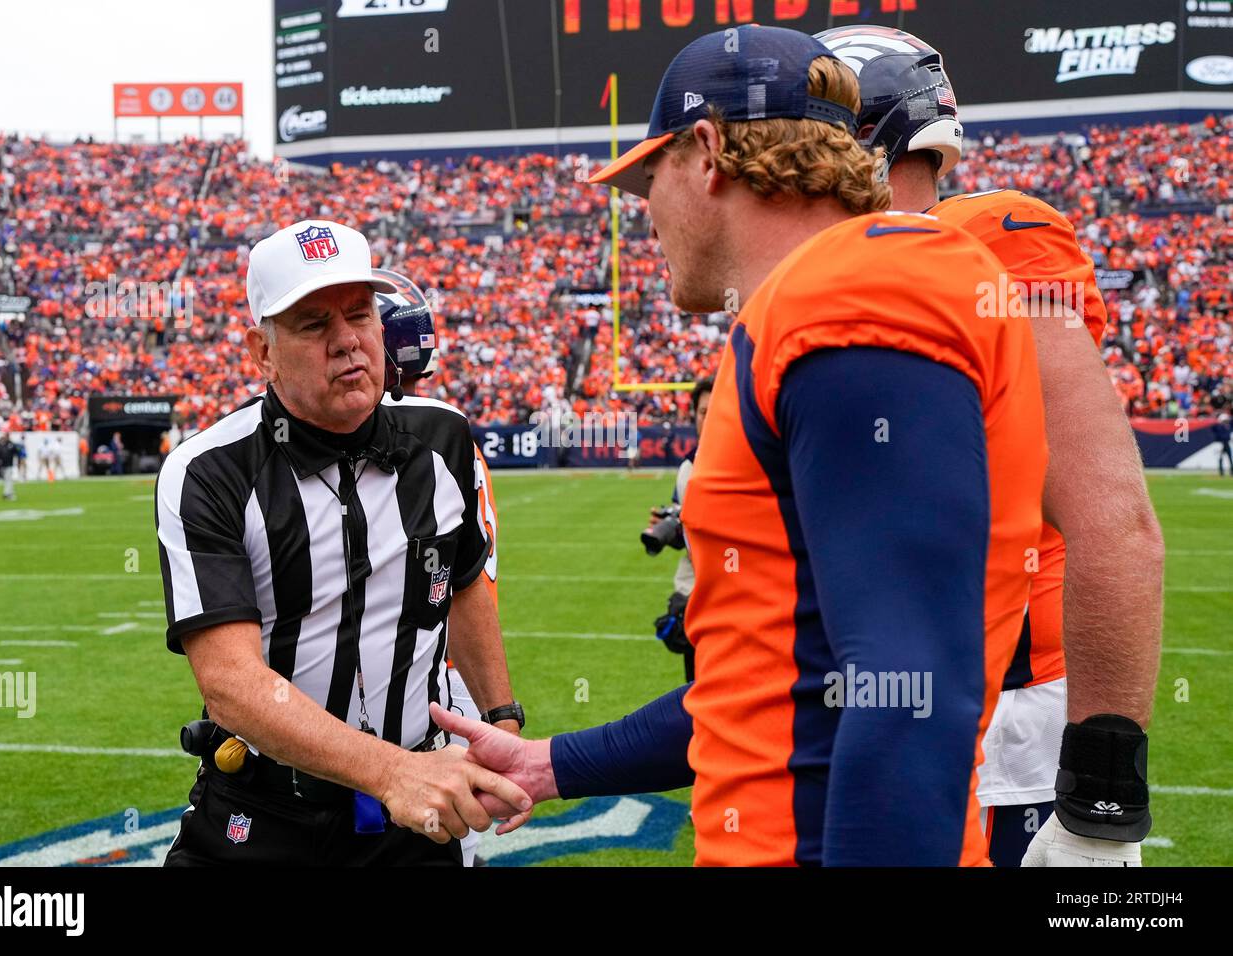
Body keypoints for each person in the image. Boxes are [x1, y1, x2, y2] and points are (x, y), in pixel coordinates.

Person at [438, 25, 1048, 866]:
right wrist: (552, 765)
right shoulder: (827, 297)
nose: (642, 213)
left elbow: (908, 688)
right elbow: (780, 680)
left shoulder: (850, 298)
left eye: (650, 179)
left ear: (709, 151)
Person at [816, 24, 1163, 867]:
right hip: (879, 697)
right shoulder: (825, 276)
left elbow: (1113, 524)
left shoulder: (994, 242)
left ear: (858, 140)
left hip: (1010, 709)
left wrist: (1102, 796)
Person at [154, 220, 530, 866]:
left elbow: (464, 584)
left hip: (415, 815)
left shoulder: (443, 440)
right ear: (262, 352)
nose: (347, 341)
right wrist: (388, 773)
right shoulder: (209, 470)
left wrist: (501, 721)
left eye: (360, 315)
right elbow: (232, 683)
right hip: (267, 808)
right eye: (313, 324)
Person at [376, 266, 515, 868]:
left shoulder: (429, 438)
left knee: (429, 824)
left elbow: (462, 583)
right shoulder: (443, 432)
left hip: (425, 669)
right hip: (435, 667)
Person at [647, 378, 712, 682]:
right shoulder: (688, 466)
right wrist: (670, 530)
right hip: (695, 597)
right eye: (703, 412)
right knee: (695, 697)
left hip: (737, 602)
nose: (709, 419)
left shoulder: (754, 462)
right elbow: (689, 532)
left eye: (716, 410)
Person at [0, 433, 21, 500]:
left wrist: (18, 463)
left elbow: (17, 453)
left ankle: (6, 493)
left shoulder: (11, 445)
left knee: (8, 479)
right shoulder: (0, 445)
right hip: (2, 465)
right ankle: (10, 493)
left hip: (9, 465)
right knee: (7, 480)